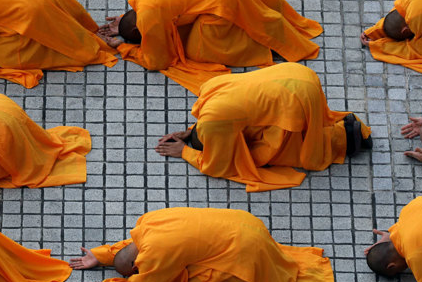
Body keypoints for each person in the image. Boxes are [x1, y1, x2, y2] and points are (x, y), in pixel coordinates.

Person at [98, 0, 322, 94]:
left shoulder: (150, 17)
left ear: (140, 28)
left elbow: (158, 59)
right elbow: (177, 5)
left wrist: (123, 47)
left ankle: (268, 48)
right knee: (260, 13)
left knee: (196, 47)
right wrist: (126, 20)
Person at [69, 207, 334, 282]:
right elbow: (128, 249)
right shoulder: (147, 222)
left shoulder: (156, 257)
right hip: (245, 224)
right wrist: (102, 254)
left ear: (139, 264)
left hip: (246, 248)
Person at [155, 63, 372, 191]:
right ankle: (339, 129)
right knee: (270, 132)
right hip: (296, 75)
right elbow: (219, 117)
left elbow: (217, 166)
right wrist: (191, 132)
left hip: (296, 99)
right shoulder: (208, 93)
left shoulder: (214, 124)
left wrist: (185, 152)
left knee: (284, 150)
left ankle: (346, 138)